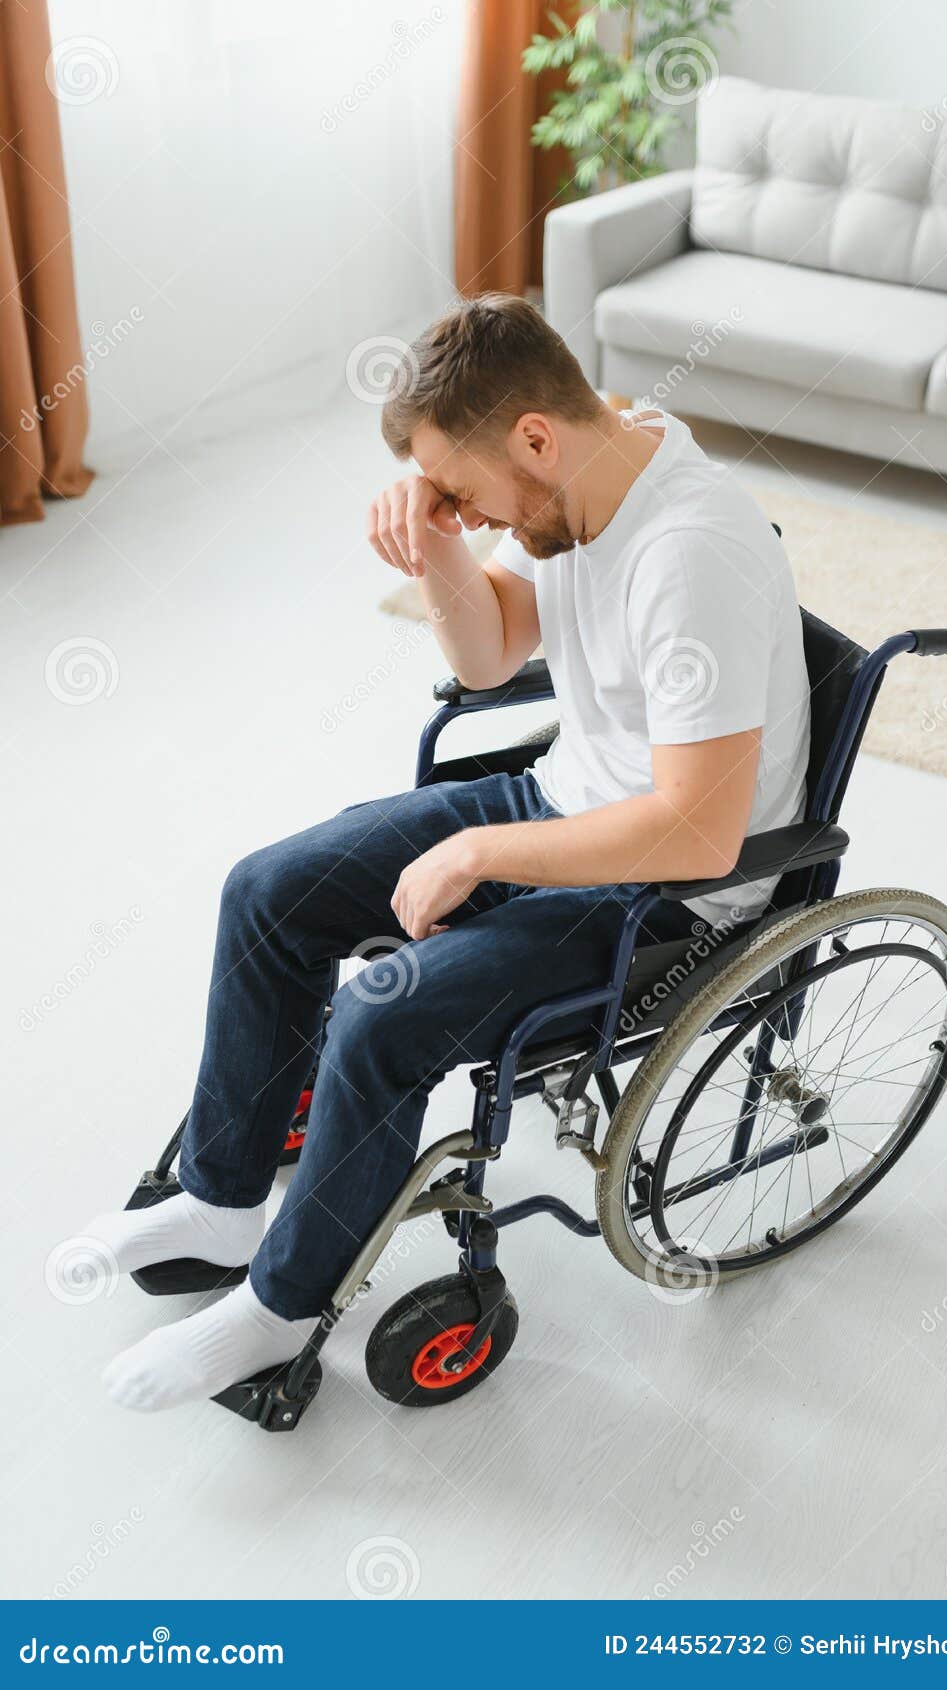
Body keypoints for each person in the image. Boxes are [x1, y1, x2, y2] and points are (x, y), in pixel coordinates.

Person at [74, 294, 810, 1412]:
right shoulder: (589, 460)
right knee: (268, 893)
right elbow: (489, 652)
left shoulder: (690, 553)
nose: (464, 516)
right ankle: (223, 1202)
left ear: (533, 436)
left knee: (379, 1011)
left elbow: (699, 830)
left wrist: (477, 852)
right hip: (566, 800)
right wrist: (433, 547)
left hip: (666, 889)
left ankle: (276, 1314)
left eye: (461, 493)